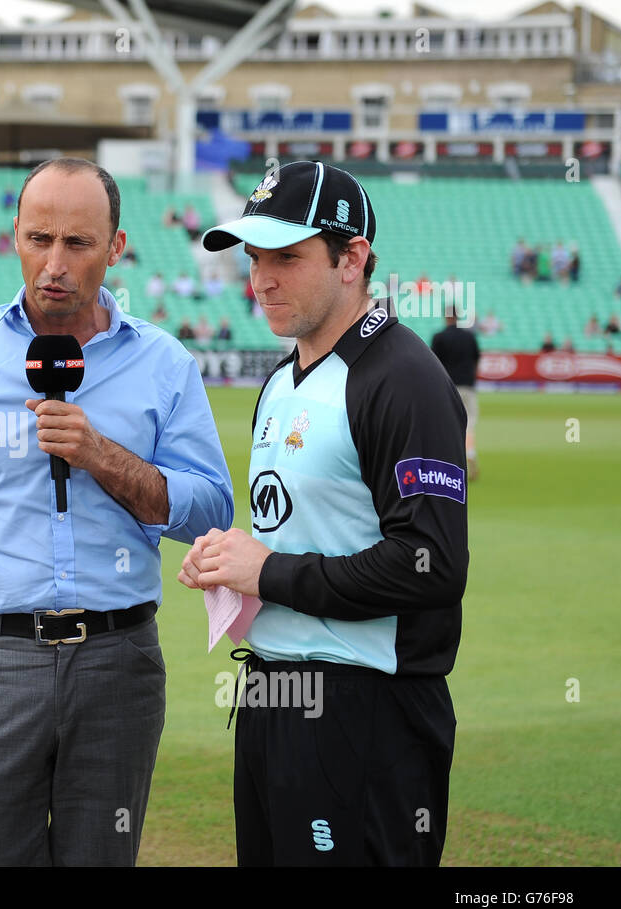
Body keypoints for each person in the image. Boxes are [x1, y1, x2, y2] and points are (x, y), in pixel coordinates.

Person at [0, 157, 233, 866]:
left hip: (121, 665)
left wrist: (104, 455)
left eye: (77, 243)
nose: (54, 263)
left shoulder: (165, 363)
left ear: (116, 247)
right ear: (14, 238)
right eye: (39, 239)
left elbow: (210, 508)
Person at [187, 160, 467, 867]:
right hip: (272, 692)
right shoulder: (283, 379)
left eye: (286, 256)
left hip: (364, 710)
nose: (261, 279)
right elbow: (305, 531)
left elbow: (429, 566)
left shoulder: (403, 378)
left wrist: (270, 571)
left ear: (353, 259)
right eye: (254, 258)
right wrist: (233, 562)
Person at [432, 309, 481, 481]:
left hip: (448, 386)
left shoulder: (439, 337)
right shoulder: (469, 337)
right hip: (467, 385)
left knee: (447, 424)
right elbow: (476, 359)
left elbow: (433, 364)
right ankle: (470, 452)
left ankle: (449, 461)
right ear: (458, 316)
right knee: (469, 423)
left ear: (446, 317)